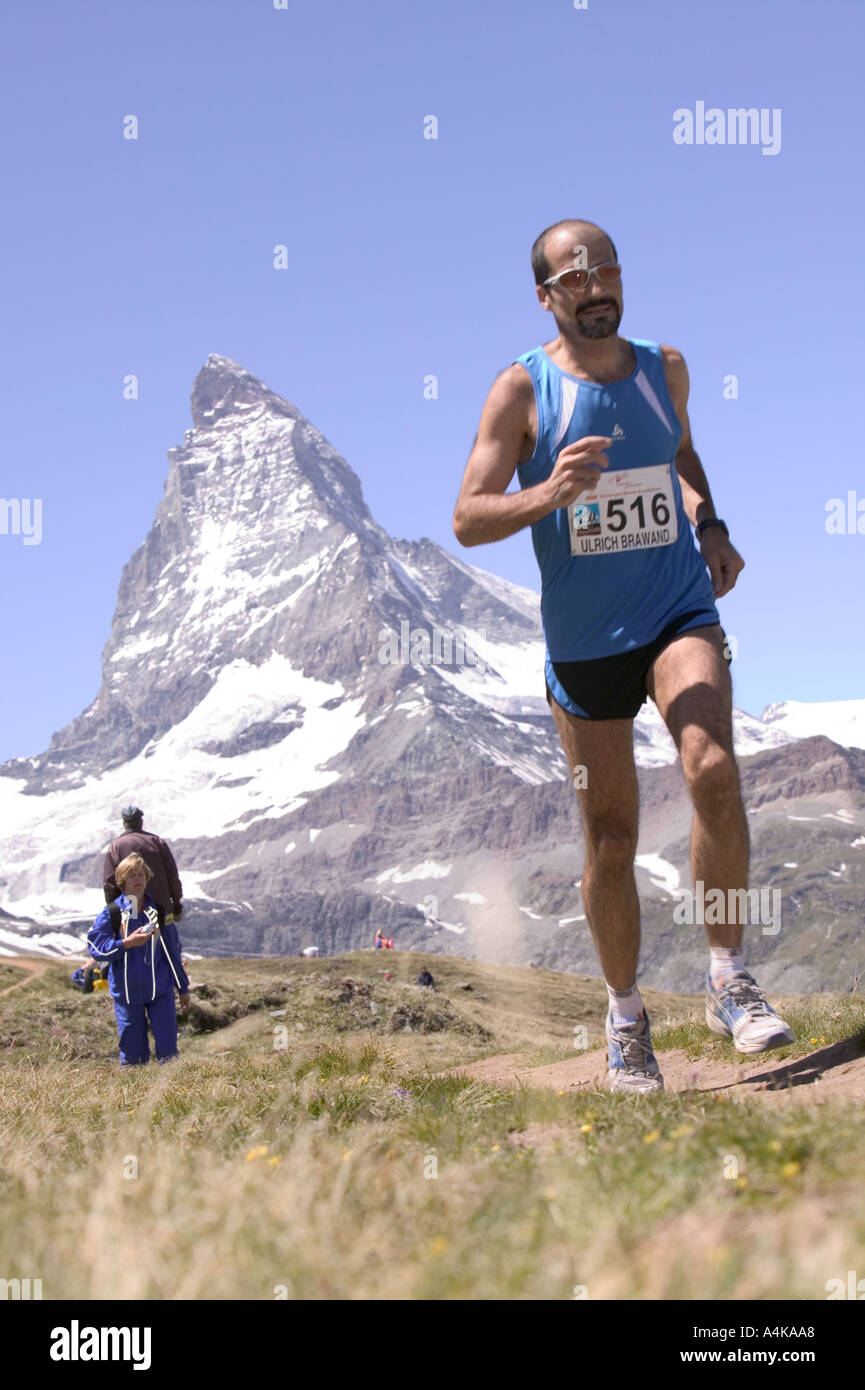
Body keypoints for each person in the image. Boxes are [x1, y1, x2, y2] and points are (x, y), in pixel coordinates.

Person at [452, 218, 793, 1094]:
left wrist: (708, 523)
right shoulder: (519, 394)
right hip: (583, 647)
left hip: (677, 608)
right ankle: (626, 1019)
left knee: (710, 764)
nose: (596, 284)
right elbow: (467, 516)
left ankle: (727, 978)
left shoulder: (662, 369)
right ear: (546, 297)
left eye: (606, 268)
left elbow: (678, 451)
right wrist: (550, 492)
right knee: (610, 841)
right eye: (575, 275)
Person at [88, 852, 190, 1066]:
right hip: (126, 995)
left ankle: (172, 1093)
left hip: (160, 991)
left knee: (169, 1053)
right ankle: (135, 1097)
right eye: (132, 875)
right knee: (133, 1057)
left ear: (148, 878)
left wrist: (182, 988)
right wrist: (125, 944)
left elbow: (172, 953)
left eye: (141, 875)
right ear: (122, 881)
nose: (138, 880)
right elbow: (96, 949)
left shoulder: (160, 913)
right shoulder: (112, 913)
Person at [102, 805, 183, 921]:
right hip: (162, 909)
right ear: (140, 821)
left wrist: (114, 911)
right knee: (166, 937)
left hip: (132, 912)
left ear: (124, 823)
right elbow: (172, 876)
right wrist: (176, 902)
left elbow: (110, 883)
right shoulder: (157, 842)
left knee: (136, 937)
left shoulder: (116, 847)